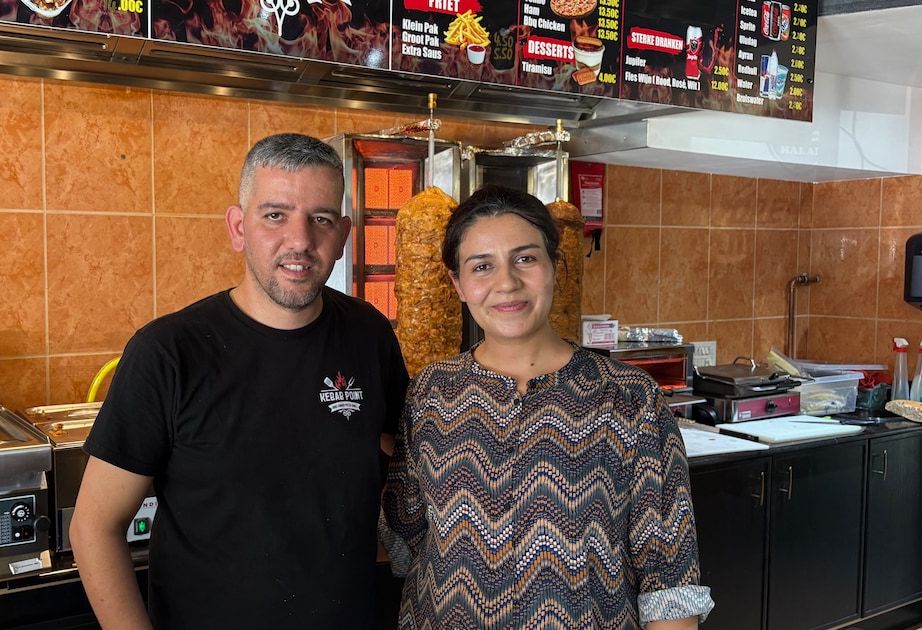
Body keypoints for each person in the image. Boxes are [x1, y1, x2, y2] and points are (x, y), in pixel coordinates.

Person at [70, 132, 410, 630]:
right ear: (238, 227)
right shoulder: (168, 352)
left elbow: (398, 451)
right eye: (275, 215)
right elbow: (94, 527)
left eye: (319, 219)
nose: (300, 241)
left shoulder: (369, 334)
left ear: (342, 234)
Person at [381, 185, 714, 629]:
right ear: (458, 285)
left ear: (556, 267)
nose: (506, 283)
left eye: (525, 259)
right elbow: (403, 542)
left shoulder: (631, 398)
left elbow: (669, 582)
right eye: (483, 266)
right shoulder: (430, 394)